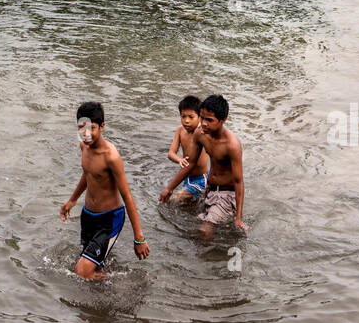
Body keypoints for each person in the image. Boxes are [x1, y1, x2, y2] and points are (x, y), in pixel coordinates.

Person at [60, 101, 150, 279]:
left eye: (92, 128)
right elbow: (88, 174)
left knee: (82, 272)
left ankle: (125, 283)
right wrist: (72, 200)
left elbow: (127, 196)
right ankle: (101, 286)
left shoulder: (111, 156)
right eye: (82, 128)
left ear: (102, 127)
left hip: (109, 220)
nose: (87, 133)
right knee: (89, 262)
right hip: (88, 216)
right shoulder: (84, 146)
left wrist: (139, 237)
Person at [159, 93, 246, 239]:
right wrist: (169, 188)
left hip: (226, 193)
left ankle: (209, 259)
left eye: (209, 120)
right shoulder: (201, 134)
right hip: (209, 188)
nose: (204, 123)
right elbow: (190, 163)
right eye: (202, 118)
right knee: (186, 212)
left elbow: (239, 182)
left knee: (205, 229)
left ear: (223, 120)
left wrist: (239, 218)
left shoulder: (232, 145)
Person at [165, 95, 208, 203]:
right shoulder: (180, 130)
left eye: (191, 117)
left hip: (201, 179)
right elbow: (171, 153)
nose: (186, 121)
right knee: (186, 206)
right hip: (186, 176)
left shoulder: (202, 133)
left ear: (200, 117)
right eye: (183, 116)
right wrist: (179, 160)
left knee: (173, 200)